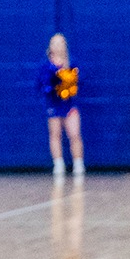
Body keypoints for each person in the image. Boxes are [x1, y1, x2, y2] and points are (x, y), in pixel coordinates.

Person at [42, 33, 83, 176]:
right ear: (50, 46)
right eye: (55, 43)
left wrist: (69, 85)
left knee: (74, 134)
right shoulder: (47, 66)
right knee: (55, 134)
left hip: (69, 104)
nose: (58, 46)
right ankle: (58, 164)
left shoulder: (72, 63)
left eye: (60, 43)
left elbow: (79, 81)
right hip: (54, 104)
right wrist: (53, 85)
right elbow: (42, 85)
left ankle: (78, 164)